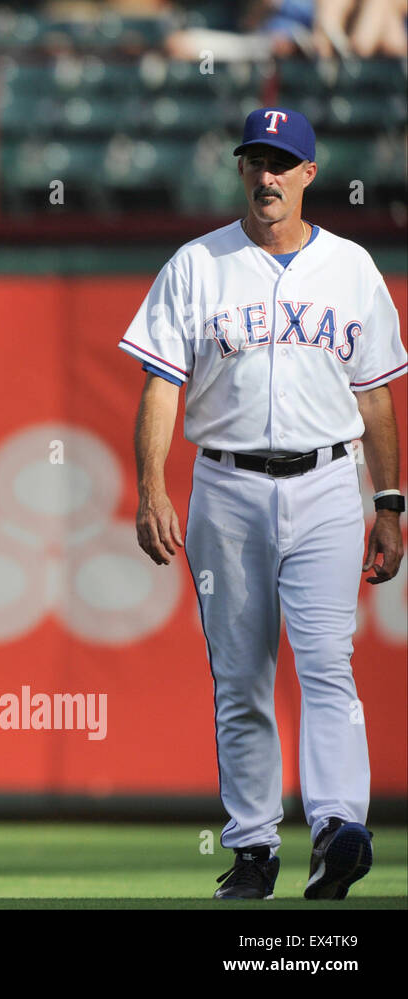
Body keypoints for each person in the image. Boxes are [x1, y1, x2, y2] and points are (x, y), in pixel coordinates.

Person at [121, 108, 406, 900]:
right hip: (227, 483)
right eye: (256, 160)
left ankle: (338, 827)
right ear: (241, 169)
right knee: (241, 676)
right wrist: (151, 488)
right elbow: (160, 384)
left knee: (326, 665)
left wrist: (389, 501)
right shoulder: (197, 263)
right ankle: (252, 848)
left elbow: (375, 394)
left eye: (283, 162)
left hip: (326, 482)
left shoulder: (350, 268)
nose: (267, 175)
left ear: (310, 174)